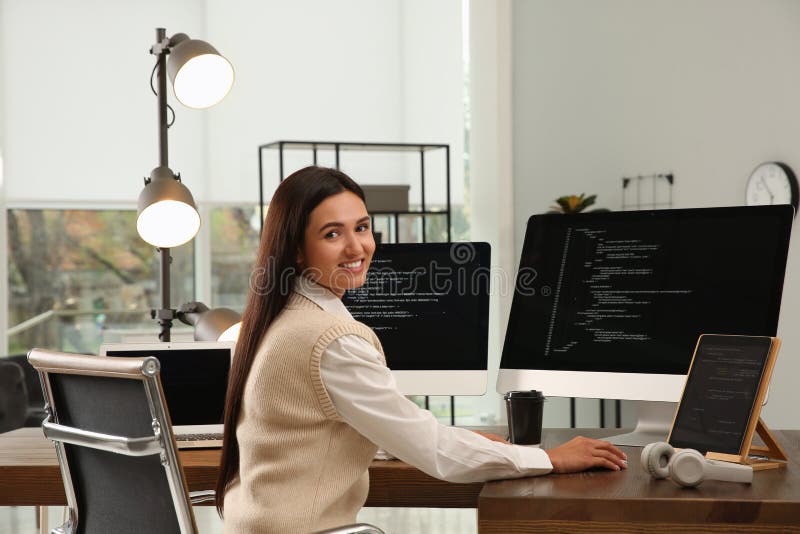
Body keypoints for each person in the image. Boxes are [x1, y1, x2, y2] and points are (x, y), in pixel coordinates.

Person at [216, 166, 627, 533]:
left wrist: (440, 438)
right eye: (332, 233)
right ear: (296, 249)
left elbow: (320, 429)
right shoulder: (333, 340)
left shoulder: (273, 317)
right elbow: (435, 453)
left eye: (361, 227)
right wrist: (548, 459)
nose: (357, 248)